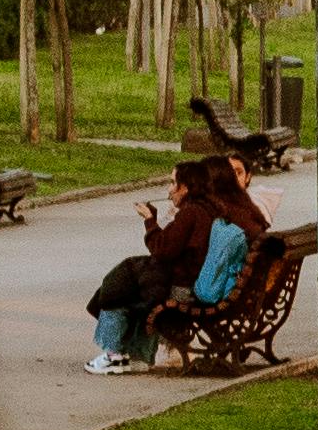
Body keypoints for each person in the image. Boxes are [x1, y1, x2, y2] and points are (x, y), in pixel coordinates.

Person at [86, 145, 267, 376]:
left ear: (187, 187)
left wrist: (150, 220)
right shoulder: (219, 210)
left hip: (185, 290)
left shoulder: (193, 212)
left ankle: (114, 354)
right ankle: (137, 355)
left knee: (120, 289)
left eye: (173, 184)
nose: (169, 190)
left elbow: (163, 250)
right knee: (131, 283)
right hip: (209, 286)